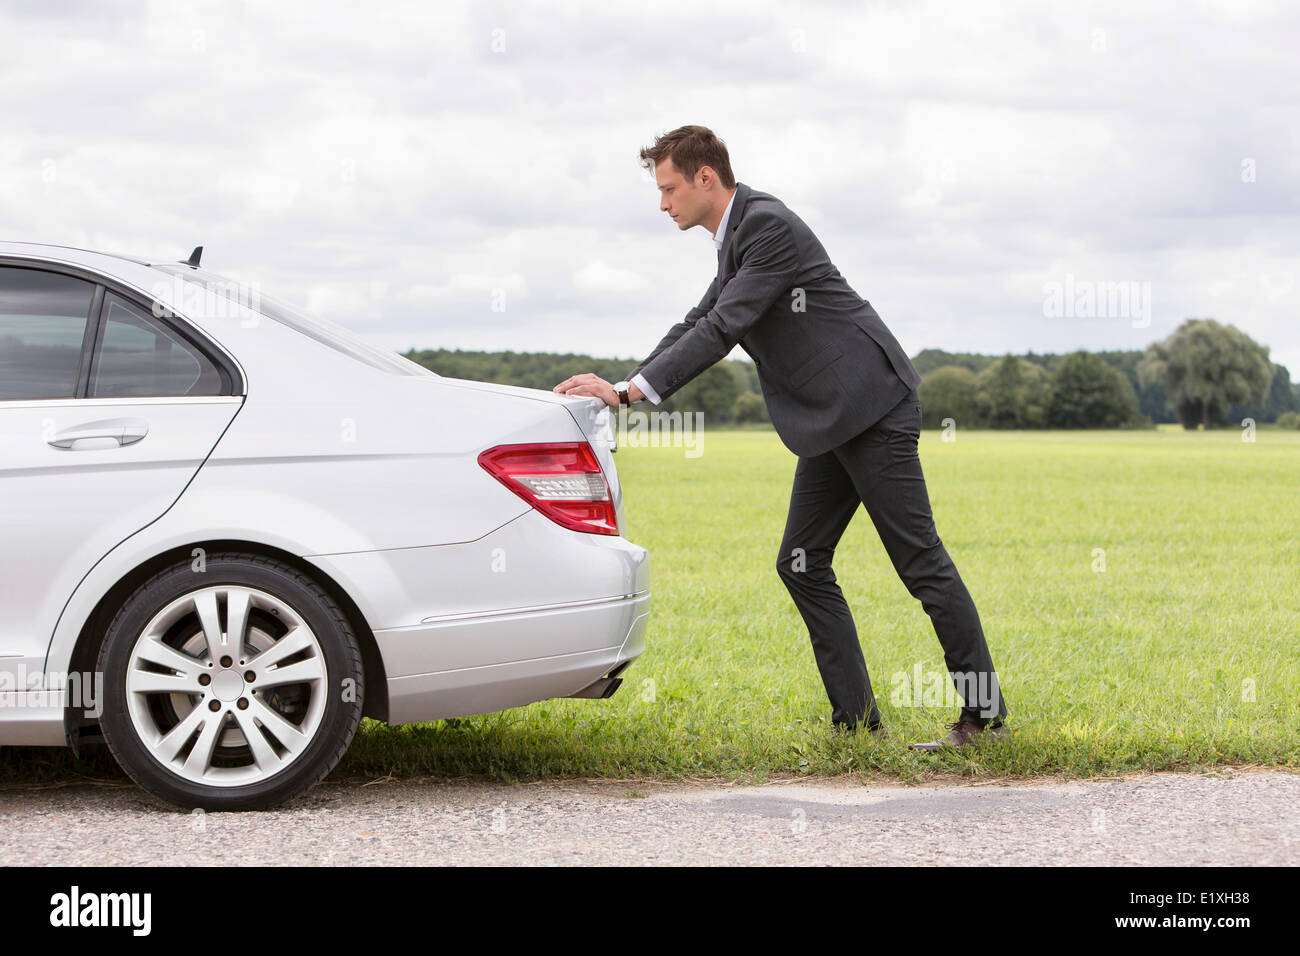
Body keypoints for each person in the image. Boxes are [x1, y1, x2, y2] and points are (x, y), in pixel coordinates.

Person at [553, 125, 1008, 750]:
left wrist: (631, 394)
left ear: (705, 178)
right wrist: (626, 381)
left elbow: (723, 328)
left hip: (872, 406)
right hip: (831, 418)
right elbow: (700, 319)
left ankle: (985, 721)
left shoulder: (768, 226)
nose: (663, 205)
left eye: (669, 189)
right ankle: (856, 722)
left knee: (919, 561)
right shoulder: (736, 236)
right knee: (801, 562)